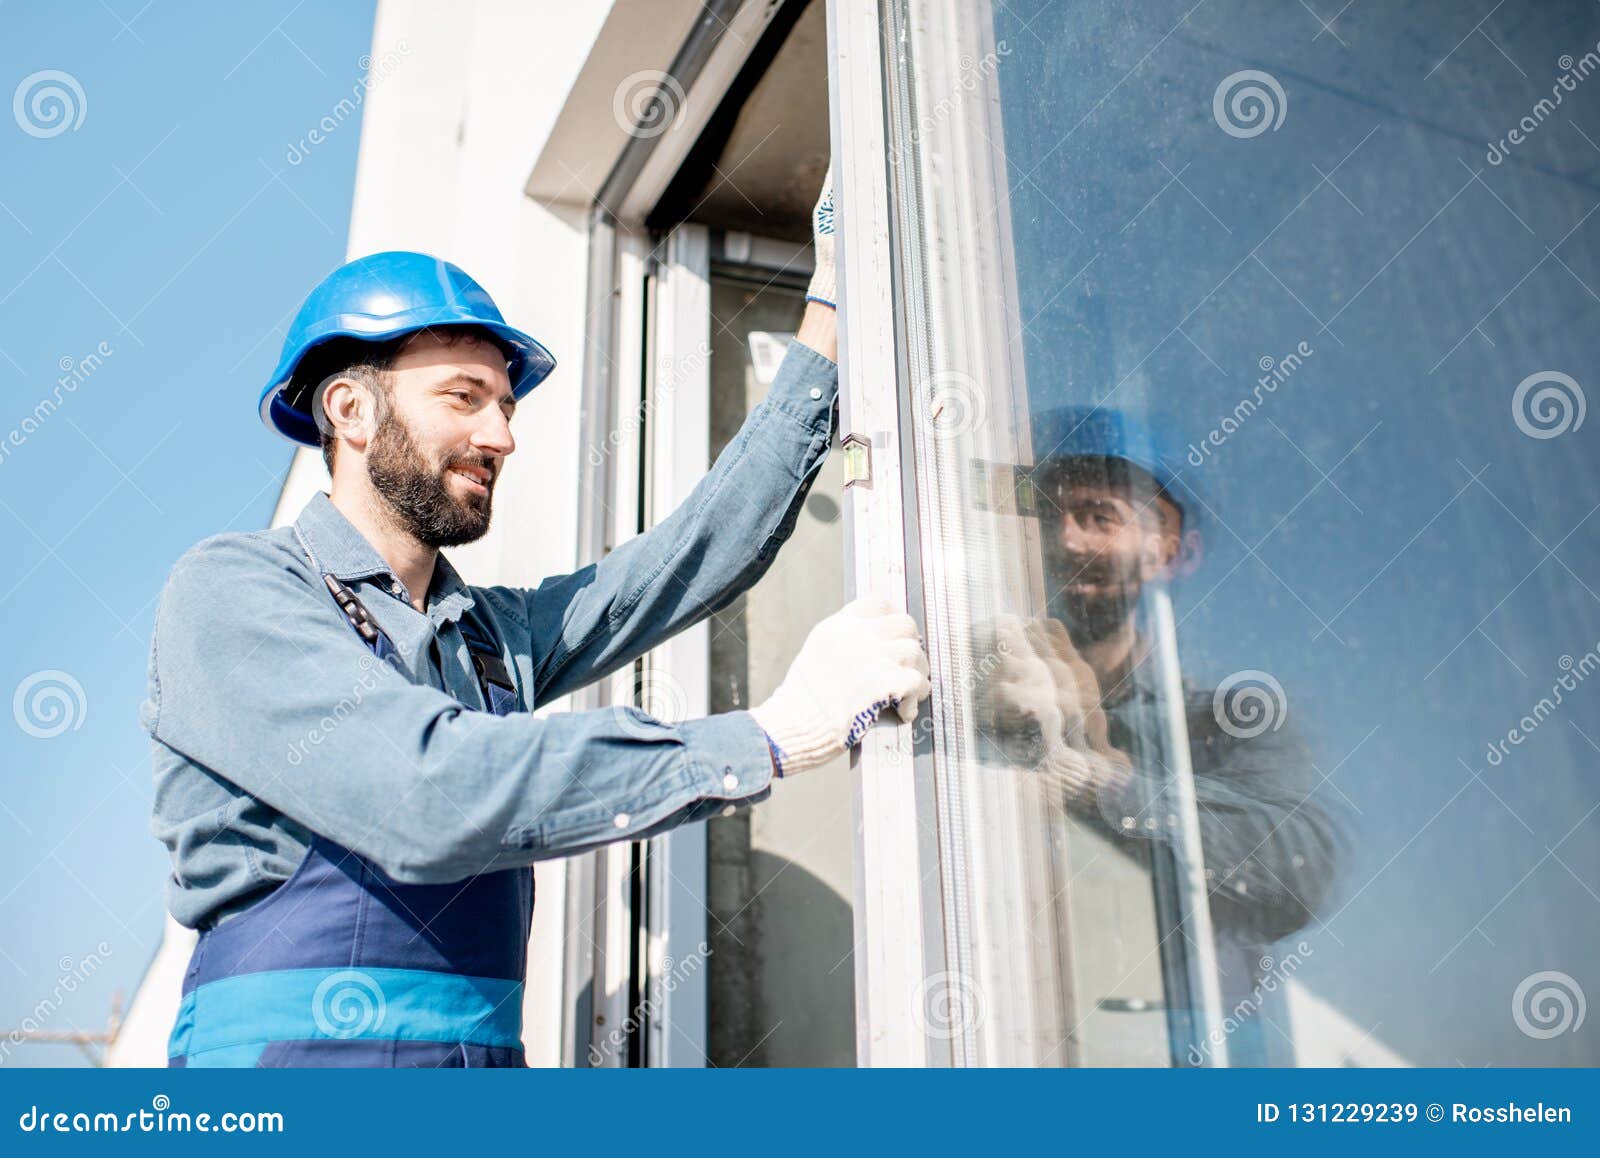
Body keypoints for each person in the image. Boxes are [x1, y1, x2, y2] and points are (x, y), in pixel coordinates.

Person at [142, 173, 930, 1068]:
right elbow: (425, 794)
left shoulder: (487, 638)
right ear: (350, 411)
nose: (502, 436)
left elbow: (689, 559)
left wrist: (828, 313)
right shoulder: (235, 593)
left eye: (506, 407)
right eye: (464, 397)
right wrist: (771, 736)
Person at [982, 405, 1340, 1063]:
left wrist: (1099, 782)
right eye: (1048, 515)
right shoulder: (985, 696)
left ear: (1175, 551)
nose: (1068, 541)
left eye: (1100, 517)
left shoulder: (1228, 722)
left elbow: (1299, 872)